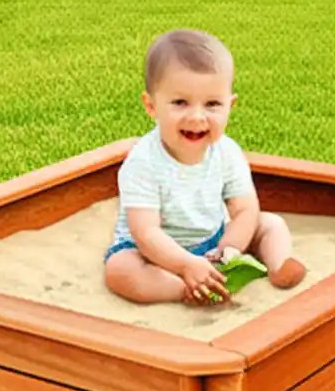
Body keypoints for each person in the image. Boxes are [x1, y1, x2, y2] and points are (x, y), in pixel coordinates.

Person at [104, 28, 307, 305]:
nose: (197, 117)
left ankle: (279, 264)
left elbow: (245, 208)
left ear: (230, 106)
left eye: (212, 104)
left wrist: (230, 248)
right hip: (153, 252)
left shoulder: (227, 152)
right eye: (180, 103)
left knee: (270, 223)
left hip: (214, 241)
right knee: (120, 271)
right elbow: (146, 232)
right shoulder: (142, 163)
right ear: (151, 106)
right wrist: (186, 265)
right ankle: (183, 290)